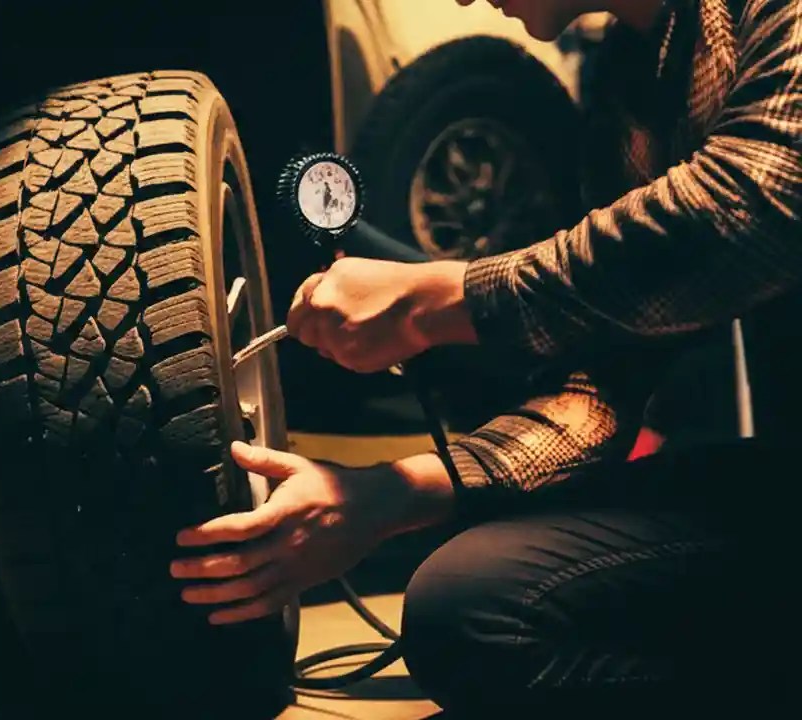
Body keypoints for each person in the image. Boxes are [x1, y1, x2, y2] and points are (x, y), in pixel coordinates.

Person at [170, 0, 802, 715]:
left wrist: (441, 299)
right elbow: (596, 392)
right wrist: (384, 497)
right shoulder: (630, 81)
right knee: (469, 605)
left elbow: (763, 201)